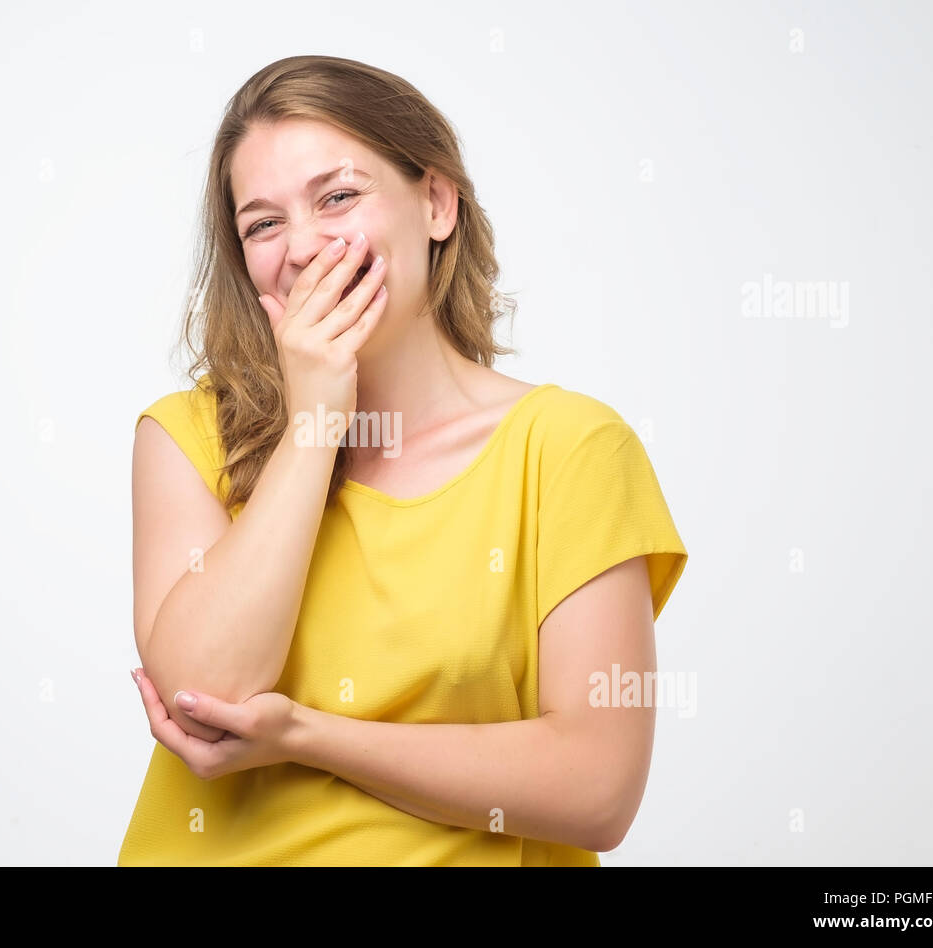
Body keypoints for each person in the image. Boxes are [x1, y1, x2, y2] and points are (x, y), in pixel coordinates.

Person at [117, 54, 688, 866]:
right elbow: (206, 697)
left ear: (436, 203)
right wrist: (314, 423)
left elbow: (596, 789)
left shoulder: (568, 449)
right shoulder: (184, 437)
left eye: (338, 197)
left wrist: (310, 737)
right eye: (264, 224)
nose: (305, 246)